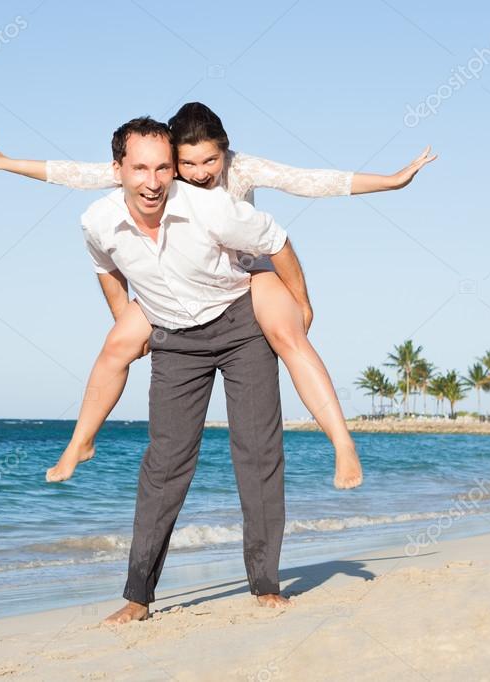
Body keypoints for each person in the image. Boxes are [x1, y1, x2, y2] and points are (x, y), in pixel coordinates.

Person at [0, 102, 436, 488]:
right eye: (186, 164)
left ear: (225, 153)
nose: (197, 173)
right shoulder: (159, 174)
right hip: (185, 282)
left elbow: (313, 181)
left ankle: (342, 445)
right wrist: (5, 162)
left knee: (288, 336)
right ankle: (80, 442)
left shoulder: (244, 168)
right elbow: (75, 173)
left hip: (248, 272)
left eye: (209, 161)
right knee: (115, 346)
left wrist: (392, 180)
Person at [80, 116, 296, 624]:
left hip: (242, 323)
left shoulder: (210, 206)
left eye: (162, 168)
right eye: (140, 168)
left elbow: (277, 239)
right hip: (177, 339)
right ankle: (137, 597)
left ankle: (266, 584)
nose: (153, 180)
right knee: (166, 462)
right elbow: (106, 269)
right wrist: (131, 323)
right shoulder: (98, 219)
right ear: (119, 170)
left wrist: (302, 306)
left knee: (258, 452)